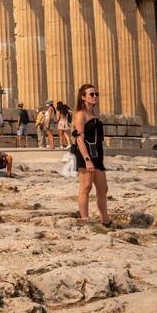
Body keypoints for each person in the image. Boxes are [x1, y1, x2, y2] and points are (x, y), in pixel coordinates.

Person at [71, 83, 108, 225]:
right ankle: (84, 219)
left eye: (96, 94)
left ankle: (105, 220)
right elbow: (79, 139)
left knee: (103, 188)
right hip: (85, 154)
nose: (95, 96)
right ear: (83, 97)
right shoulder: (81, 115)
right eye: (92, 94)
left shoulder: (94, 114)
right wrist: (87, 159)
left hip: (97, 154)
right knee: (86, 187)